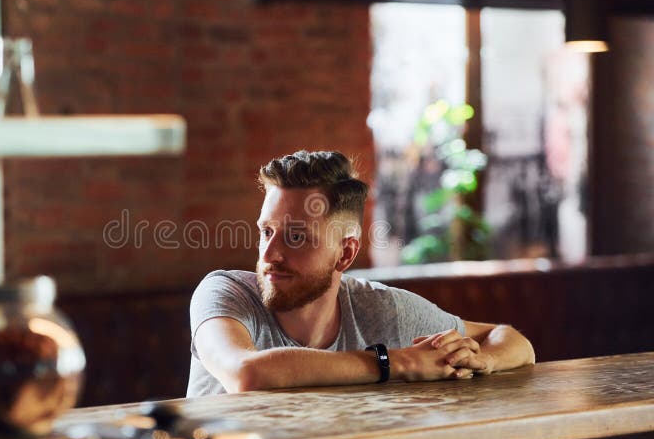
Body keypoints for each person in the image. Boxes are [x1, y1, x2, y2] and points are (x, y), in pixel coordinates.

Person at [186, 150, 535, 397]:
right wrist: (394, 362)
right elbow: (246, 374)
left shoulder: (381, 310)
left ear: (345, 253)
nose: (269, 254)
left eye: (296, 237)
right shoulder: (225, 293)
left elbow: (511, 340)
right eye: (266, 232)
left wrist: (483, 359)